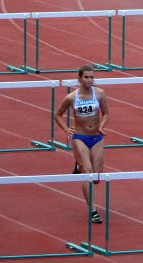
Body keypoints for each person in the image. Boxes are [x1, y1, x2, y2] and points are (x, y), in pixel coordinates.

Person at [55, 65, 109, 224]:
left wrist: (102, 125)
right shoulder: (71, 98)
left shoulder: (100, 93)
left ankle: (79, 164)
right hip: (80, 138)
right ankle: (93, 211)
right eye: (86, 77)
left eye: (92, 77)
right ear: (79, 79)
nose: (89, 80)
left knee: (97, 177)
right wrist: (66, 129)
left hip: (97, 137)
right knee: (88, 172)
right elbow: (58, 115)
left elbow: (107, 113)